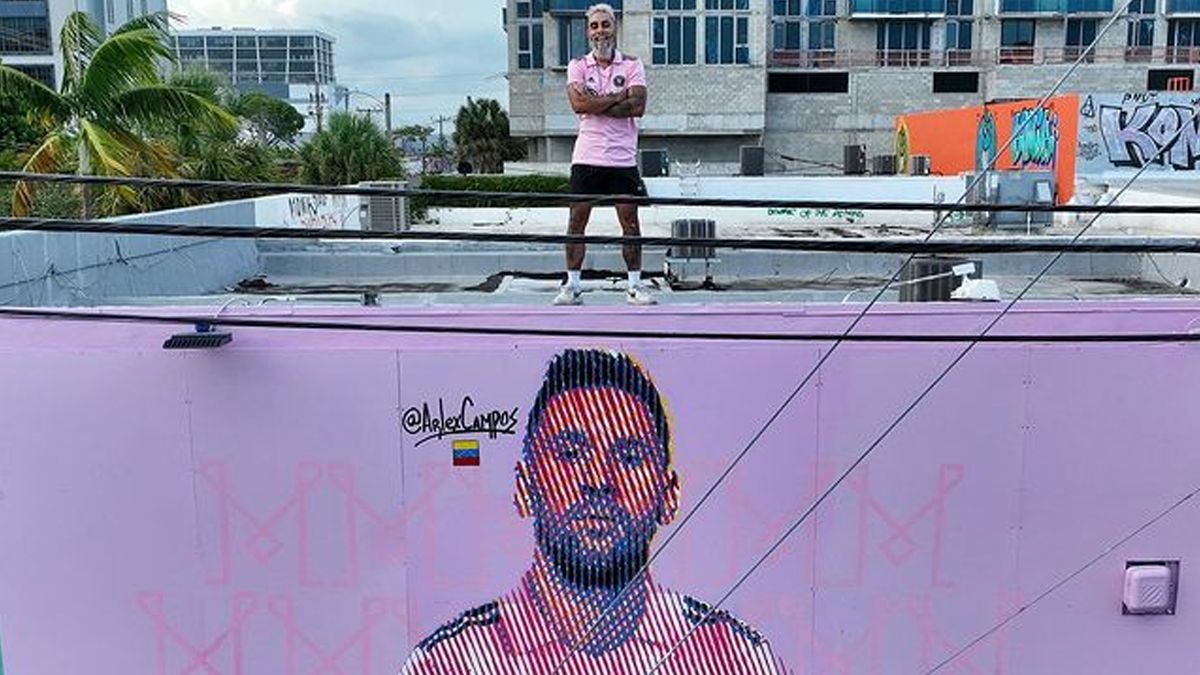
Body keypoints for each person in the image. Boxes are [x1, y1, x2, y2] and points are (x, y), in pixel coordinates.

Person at [403, 349, 785, 674]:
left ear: (668, 496)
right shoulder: (450, 663)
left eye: (629, 457)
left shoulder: (735, 659)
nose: (599, 479)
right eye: (570, 454)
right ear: (525, 488)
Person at [553, 3, 656, 307]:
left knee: (631, 226)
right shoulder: (578, 65)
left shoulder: (633, 65)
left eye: (606, 24)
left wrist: (597, 101)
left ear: (615, 27)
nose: (601, 31)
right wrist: (618, 97)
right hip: (586, 156)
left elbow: (637, 107)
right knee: (576, 224)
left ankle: (635, 287)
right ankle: (572, 286)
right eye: (595, 25)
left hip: (622, 159)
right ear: (588, 31)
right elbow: (578, 105)